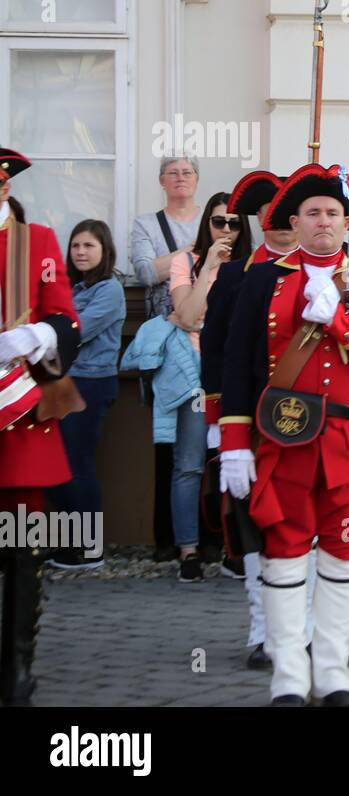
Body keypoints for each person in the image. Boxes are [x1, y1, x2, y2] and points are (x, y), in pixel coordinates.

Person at [217, 163, 349, 706]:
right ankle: (287, 677)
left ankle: (333, 674)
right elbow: (237, 364)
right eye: (312, 213)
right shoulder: (262, 278)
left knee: (342, 556)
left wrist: (342, 322)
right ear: (295, 222)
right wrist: (233, 442)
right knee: (282, 553)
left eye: (332, 212)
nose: (323, 221)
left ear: (346, 222)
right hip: (281, 441)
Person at [199, 169, 310, 669]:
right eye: (272, 209)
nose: (281, 219)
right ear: (261, 217)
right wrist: (220, 420)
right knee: (252, 523)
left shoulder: (324, 272)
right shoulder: (237, 273)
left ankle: (301, 626)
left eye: (291, 209)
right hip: (250, 420)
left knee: (304, 525)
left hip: (309, 419)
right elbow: (218, 351)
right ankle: (262, 628)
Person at [0, 148, 80, 705]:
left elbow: (64, 318)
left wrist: (36, 338)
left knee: (22, 547)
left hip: (18, 415)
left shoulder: (37, 242)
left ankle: (16, 664)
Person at [168, 191, 250, 580]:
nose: (227, 230)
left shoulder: (254, 265)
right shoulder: (185, 261)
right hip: (193, 374)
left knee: (233, 460)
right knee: (189, 463)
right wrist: (207, 269)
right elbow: (185, 315)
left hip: (235, 375)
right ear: (207, 225)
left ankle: (235, 548)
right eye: (220, 222)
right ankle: (189, 551)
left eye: (235, 223)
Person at [130, 155, 202, 563]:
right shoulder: (146, 223)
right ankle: (166, 538)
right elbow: (142, 272)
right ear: (160, 180)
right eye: (172, 172)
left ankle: (202, 536)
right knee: (166, 439)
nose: (180, 178)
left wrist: (173, 263)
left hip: (202, 340)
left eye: (187, 172)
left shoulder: (214, 218)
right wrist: (191, 254)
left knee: (203, 444)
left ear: (196, 180)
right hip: (162, 344)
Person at [47, 220, 126, 571]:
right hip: (62, 383)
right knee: (60, 464)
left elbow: (75, 330)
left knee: (77, 464)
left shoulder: (110, 289)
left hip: (91, 383)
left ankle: (88, 550)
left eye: (88, 246)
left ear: (104, 250)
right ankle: (67, 544)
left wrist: (42, 329)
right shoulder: (71, 286)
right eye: (76, 246)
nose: (80, 252)